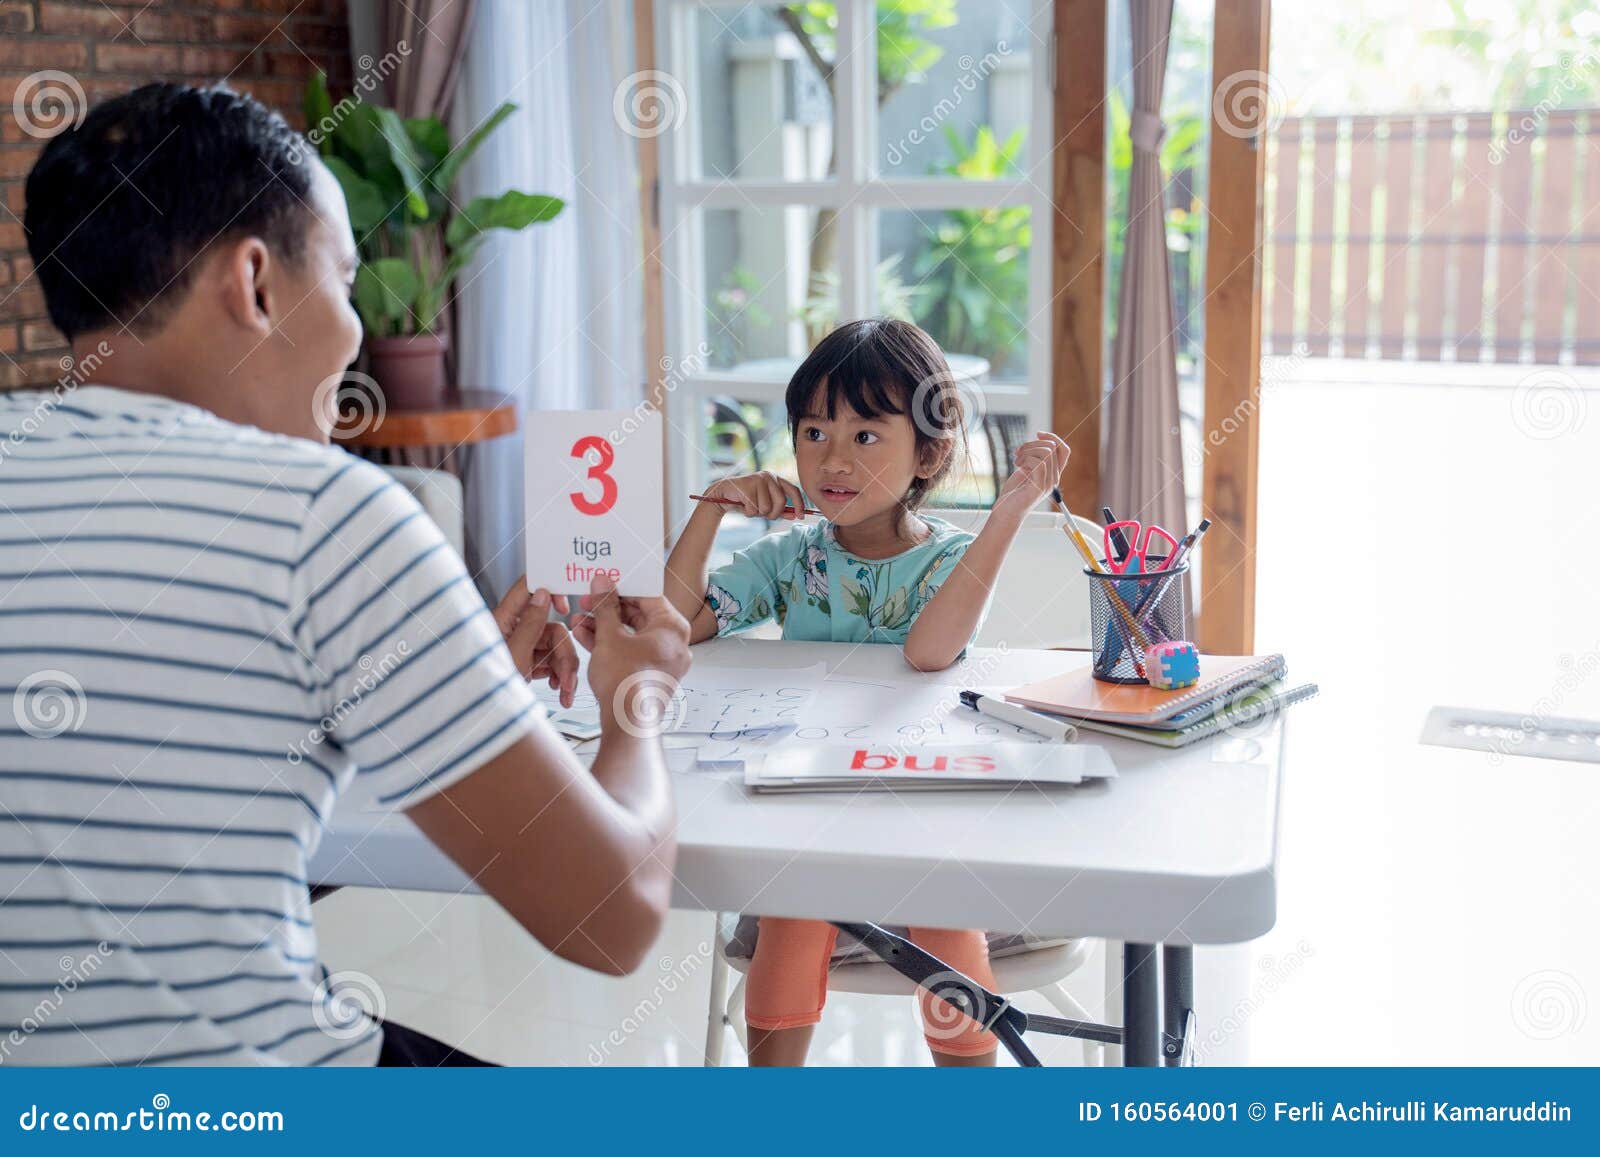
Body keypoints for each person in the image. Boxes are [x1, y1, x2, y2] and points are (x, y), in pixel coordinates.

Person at [1, 82, 689, 1066]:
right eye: (347, 277)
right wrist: (639, 699)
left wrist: (437, 682)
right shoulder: (325, 512)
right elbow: (613, 917)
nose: (359, 328)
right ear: (256, 281)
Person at [664, 318, 1070, 1066]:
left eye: (865, 435)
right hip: (812, 815)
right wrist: (712, 507)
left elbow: (928, 651)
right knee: (793, 903)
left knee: (940, 909)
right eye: (813, 431)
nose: (832, 459)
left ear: (931, 451)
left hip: (920, 818)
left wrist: (1011, 506)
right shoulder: (792, 556)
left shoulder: (949, 554)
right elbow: (674, 625)